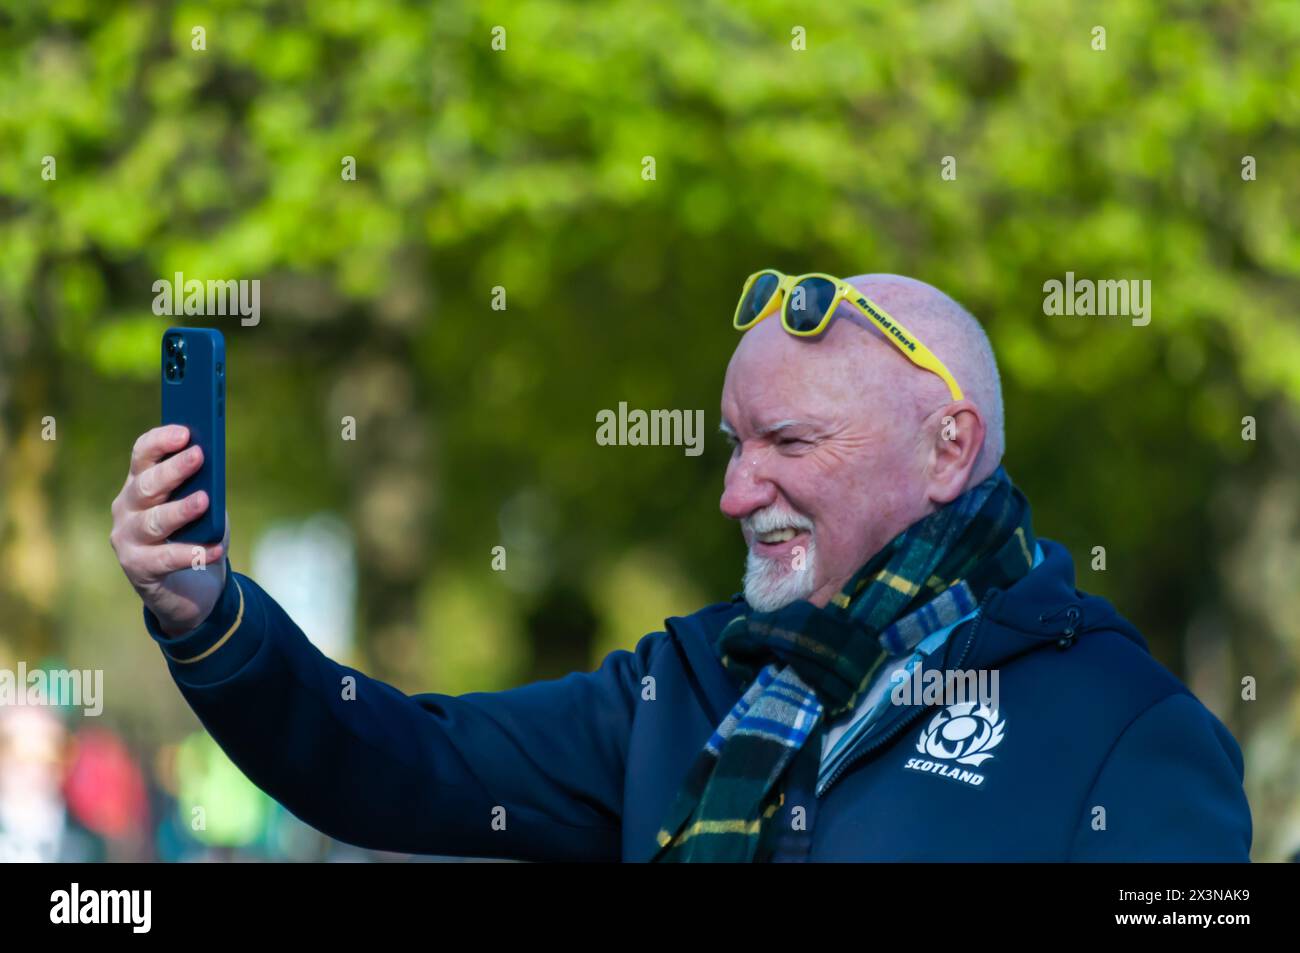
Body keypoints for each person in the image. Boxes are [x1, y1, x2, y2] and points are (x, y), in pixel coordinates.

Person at [110, 271, 1251, 861]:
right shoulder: (687, 684)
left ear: (946, 447)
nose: (735, 491)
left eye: (789, 444)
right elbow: (400, 760)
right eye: (732, 444)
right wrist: (211, 616)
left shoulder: (1124, 726)